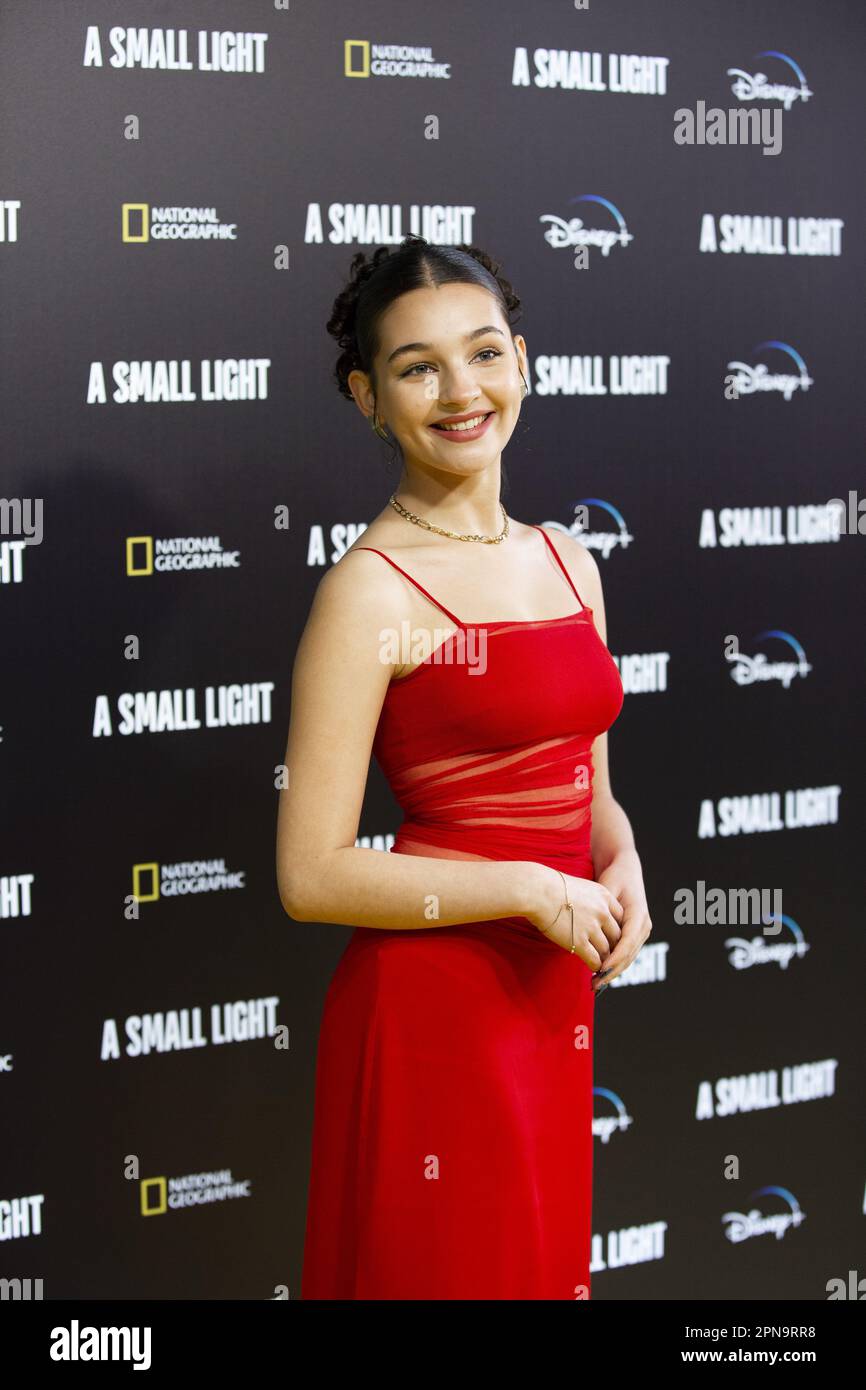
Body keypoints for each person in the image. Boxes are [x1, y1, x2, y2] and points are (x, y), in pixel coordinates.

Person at [276, 234, 652, 1300]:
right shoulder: (371, 590)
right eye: (415, 367)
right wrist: (531, 889)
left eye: (483, 353)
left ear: (521, 361)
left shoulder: (566, 557)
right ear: (365, 395)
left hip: (548, 1003)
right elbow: (310, 873)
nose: (459, 391)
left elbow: (594, 794)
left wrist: (619, 866)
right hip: (433, 1012)